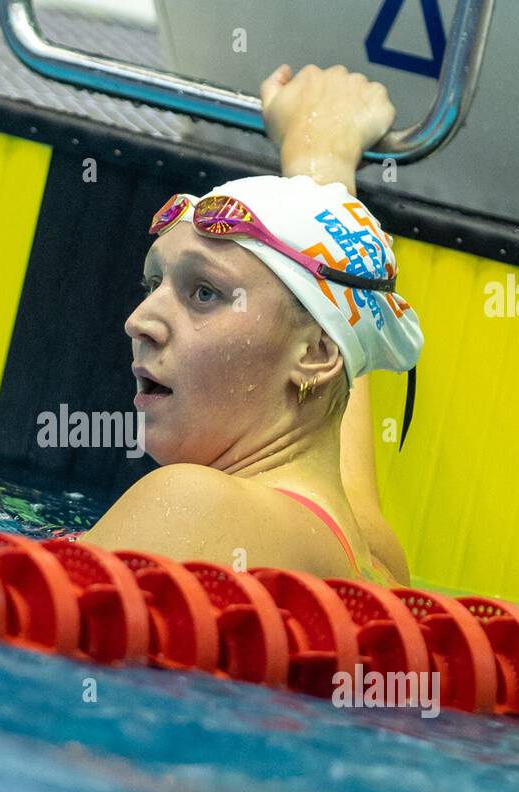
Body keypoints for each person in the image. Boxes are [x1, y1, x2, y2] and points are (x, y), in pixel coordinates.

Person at [78, 64, 421, 586]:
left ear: (314, 355)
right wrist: (321, 158)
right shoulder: (372, 556)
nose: (139, 321)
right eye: (153, 286)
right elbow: (342, 340)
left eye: (204, 293)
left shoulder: (191, 505)